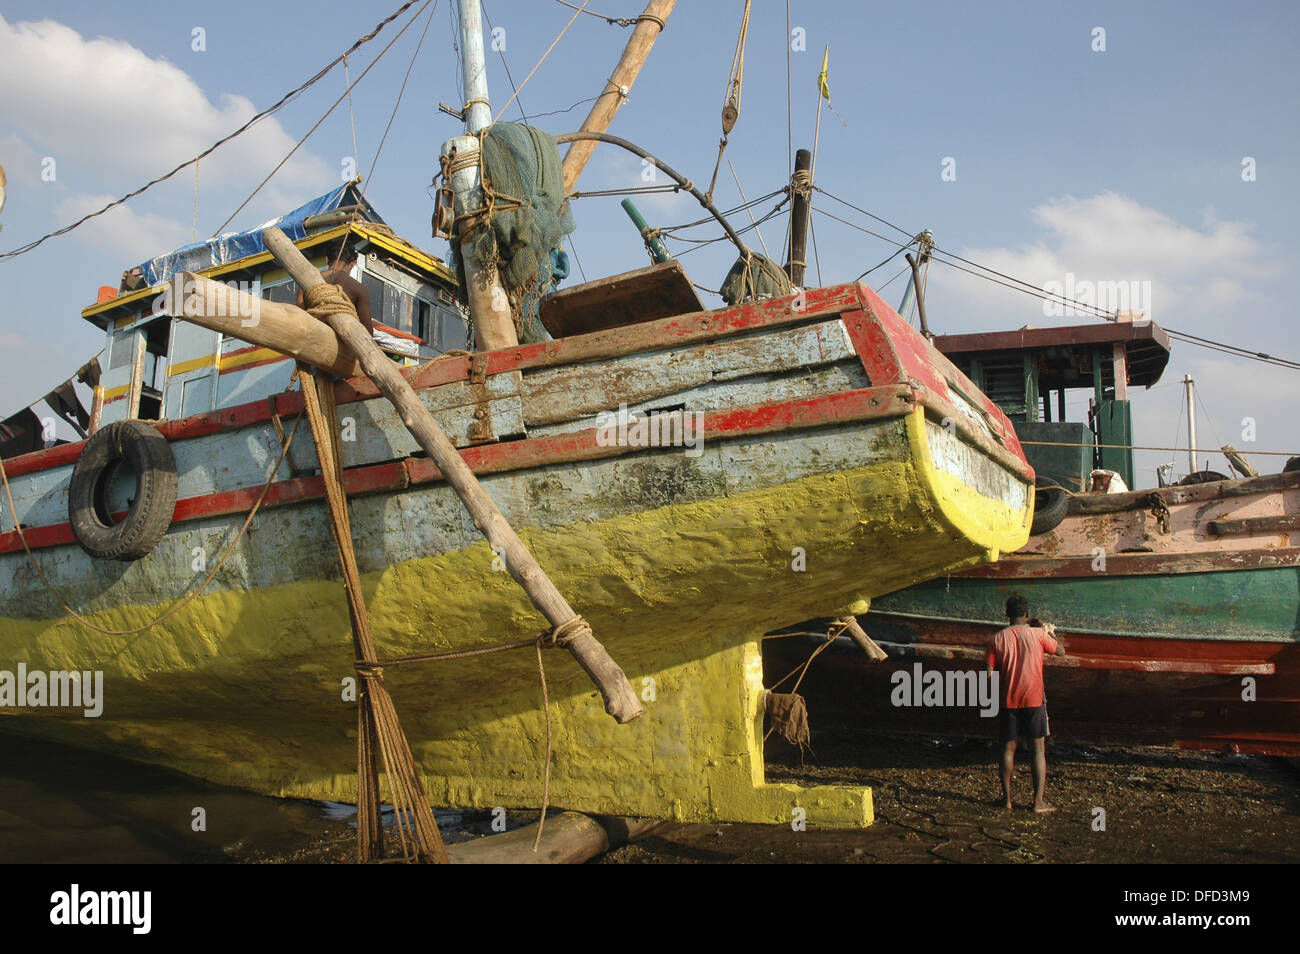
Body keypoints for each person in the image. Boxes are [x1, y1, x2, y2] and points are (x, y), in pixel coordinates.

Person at [986, 594, 1065, 814]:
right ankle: (1038, 802)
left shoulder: (997, 638)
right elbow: (1061, 651)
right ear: (1027, 614)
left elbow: (989, 673)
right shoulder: (1038, 635)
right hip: (1033, 699)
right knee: (1037, 749)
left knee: (1007, 748)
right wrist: (1048, 632)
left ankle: (1007, 800)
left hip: (1009, 700)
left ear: (1006, 614)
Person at [297, 246, 374, 335]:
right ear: (353, 263)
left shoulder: (307, 281)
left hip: (311, 336)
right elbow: (367, 331)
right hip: (341, 342)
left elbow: (300, 317)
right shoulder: (360, 289)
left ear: (326, 259)